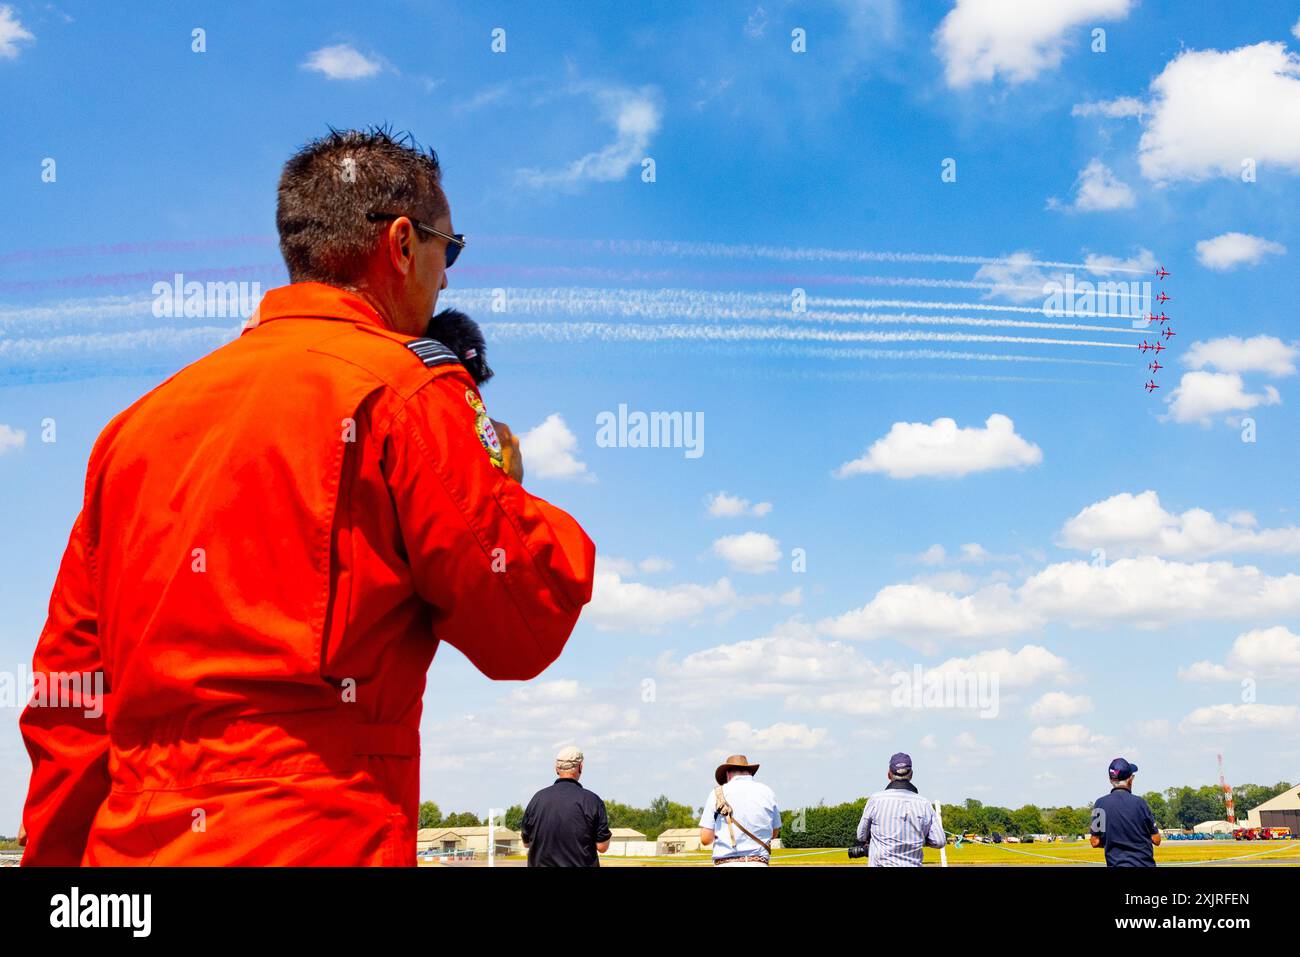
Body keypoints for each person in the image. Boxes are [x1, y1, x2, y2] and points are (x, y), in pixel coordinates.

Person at [18, 127, 596, 866]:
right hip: (318, 838)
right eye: (447, 251)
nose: (447, 280)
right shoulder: (408, 391)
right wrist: (505, 480)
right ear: (399, 244)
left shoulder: (131, 431)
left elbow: (70, 701)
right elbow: (524, 620)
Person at [519, 746, 612, 867]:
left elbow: (526, 843)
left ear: (557, 768)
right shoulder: (592, 801)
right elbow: (602, 847)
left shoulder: (537, 799)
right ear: (580, 767)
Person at [854, 752, 945, 867]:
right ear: (911, 775)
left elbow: (861, 835)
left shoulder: (875, 800)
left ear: (889, 775)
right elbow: (939, 841)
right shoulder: (924, 803)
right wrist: (921, 837)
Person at [699, 754, 781, 866]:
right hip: (758, 863)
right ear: (750, 772)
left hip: (727, 863)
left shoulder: (717, 794)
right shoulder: (768, 792)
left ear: (727, 774)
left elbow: (705, 839)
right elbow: (774, 832)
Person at [1089, 758, 1160, 867]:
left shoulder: (1100, 804)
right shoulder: (1140, 803)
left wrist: (1113, 841)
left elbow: (1095, 842)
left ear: (1110, 779)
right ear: (1130, 779)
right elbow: (1156, 839)